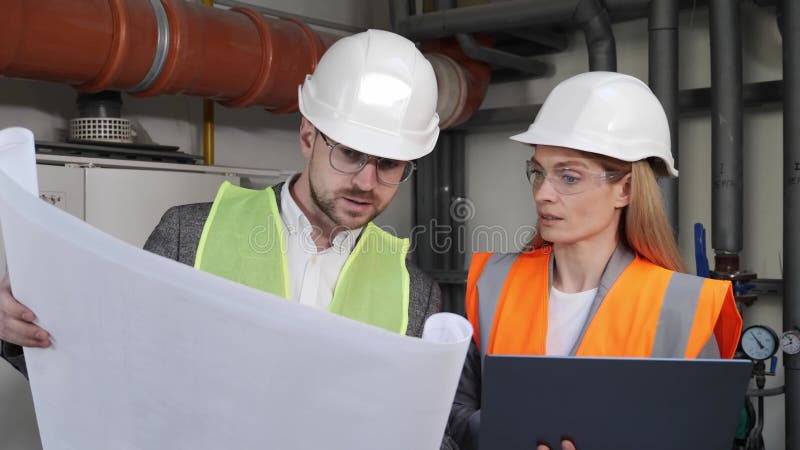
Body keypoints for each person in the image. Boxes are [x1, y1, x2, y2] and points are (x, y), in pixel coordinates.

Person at [0, 30, 458, 448]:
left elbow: (424, 433)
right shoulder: (189, 237)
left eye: (389, 165)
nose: (365, 181)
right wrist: (19, 328)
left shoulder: (415, 295)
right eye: (351, 153)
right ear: (307, 135)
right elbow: (110, 368)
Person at [447, 71, 743, 450]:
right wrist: (509, 433)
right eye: (538, 173)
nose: (543, 195)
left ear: (626, 188)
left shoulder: (684, 307)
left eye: (569, 177)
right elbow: (453, 407)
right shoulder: (494, 281)